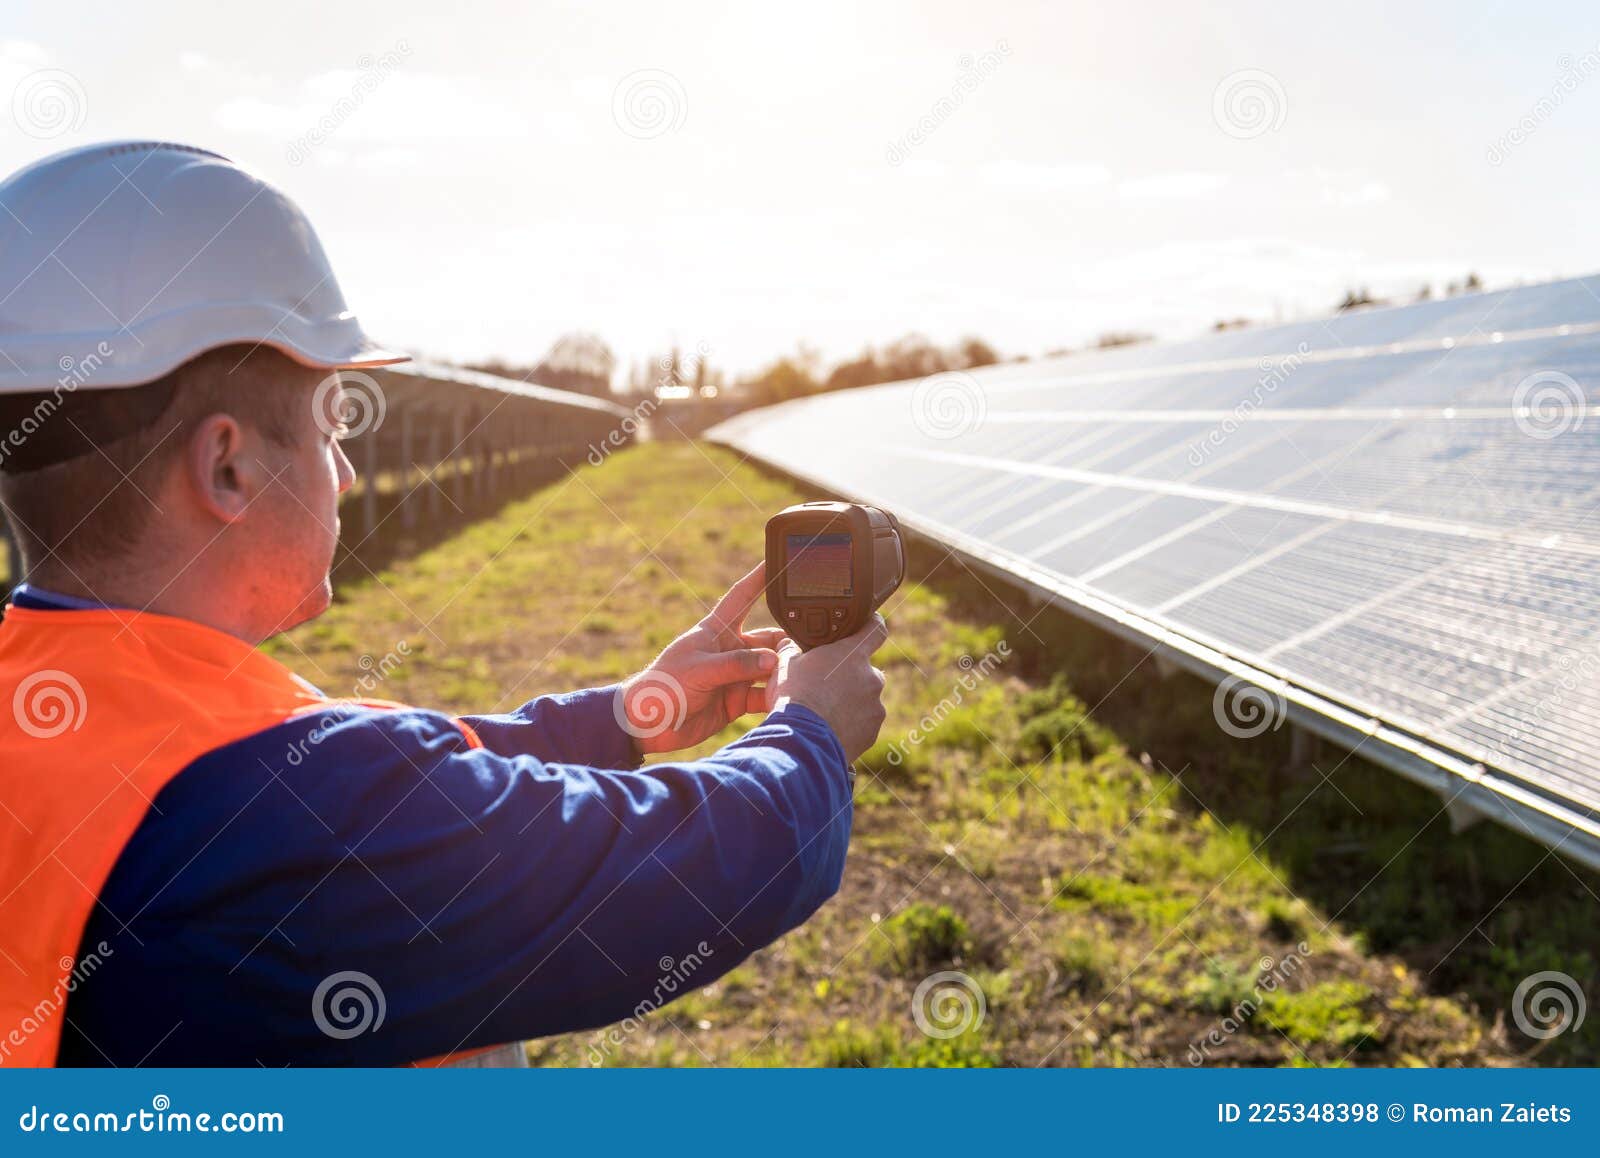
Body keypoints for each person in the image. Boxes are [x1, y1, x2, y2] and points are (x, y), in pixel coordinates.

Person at [0, 141, 888, 1067]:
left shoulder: (72, 710)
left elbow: (391, 773)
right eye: (333, 427)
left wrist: (629, 717)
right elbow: (677, 872)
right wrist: (811, 730)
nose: (345, 473)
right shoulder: (302, 807)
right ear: (228, 465)